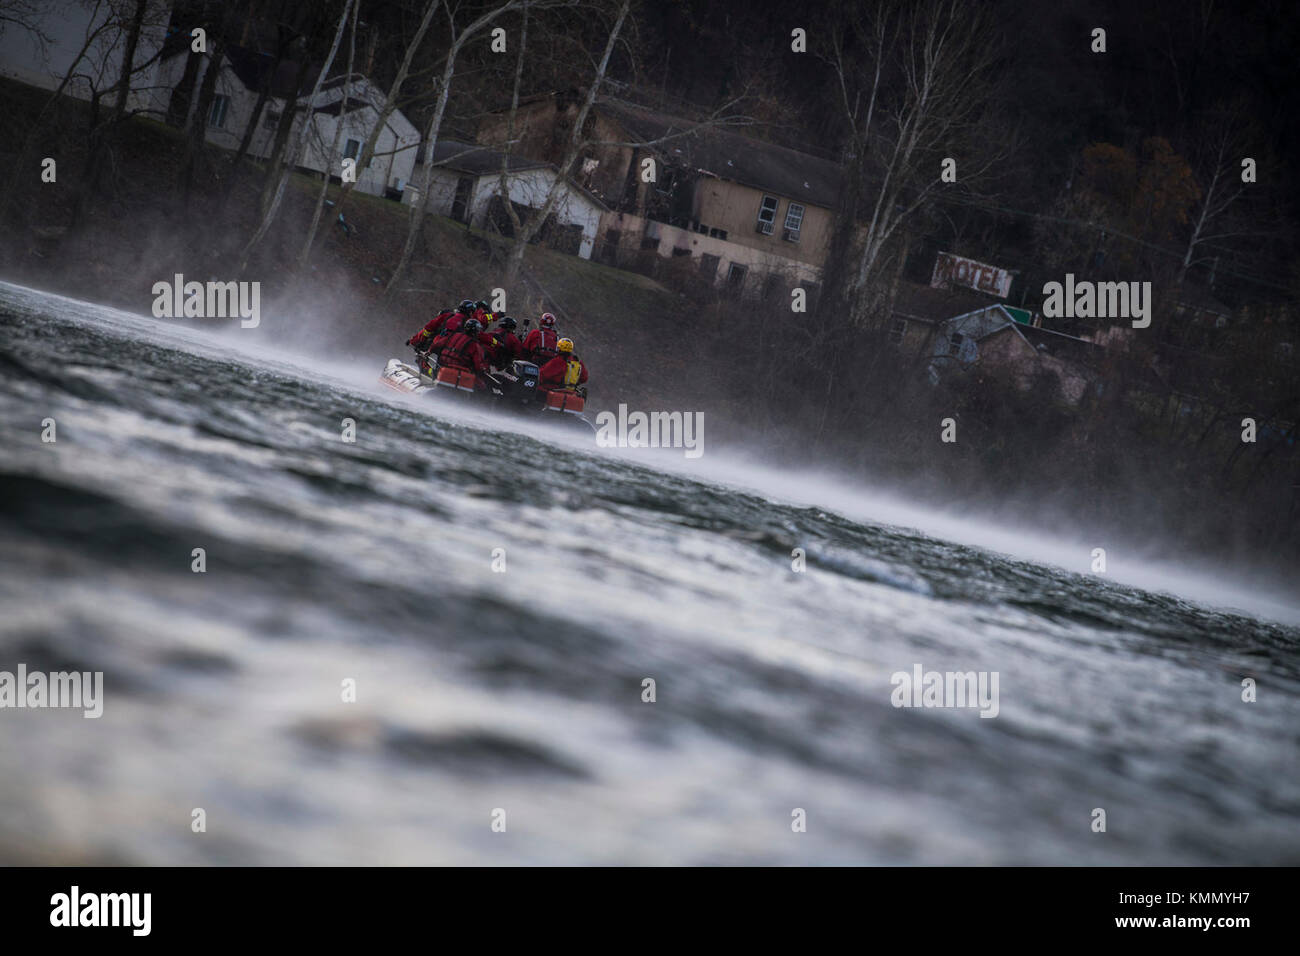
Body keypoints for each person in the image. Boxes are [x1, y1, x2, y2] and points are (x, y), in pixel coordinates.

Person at [407, 299, 474, 348]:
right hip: (457, 349)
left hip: (438, 344)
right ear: (469, 311)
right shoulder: (470, 323)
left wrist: (418, 341)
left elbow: (429, 327)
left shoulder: (448, 315)